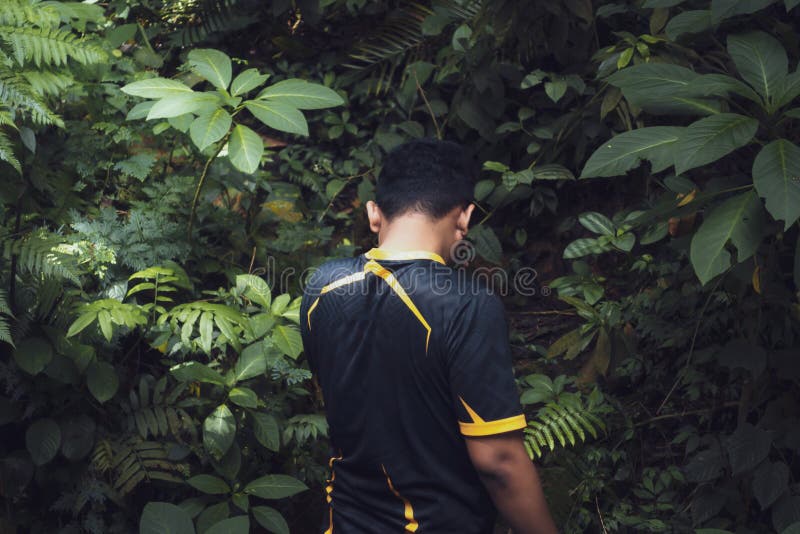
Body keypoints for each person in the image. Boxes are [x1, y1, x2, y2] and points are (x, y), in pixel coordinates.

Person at [299, 139, 558, 534]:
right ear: (464, 218)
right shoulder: (466, 305)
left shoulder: (321, 288)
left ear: (374, 214)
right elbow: (499, 461)